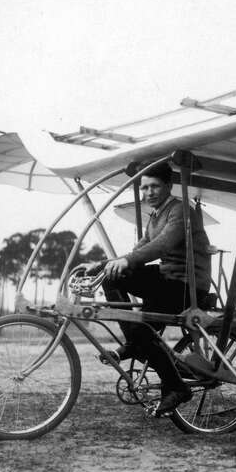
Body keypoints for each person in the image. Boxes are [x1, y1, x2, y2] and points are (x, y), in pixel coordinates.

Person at [95, 161, 212, 416]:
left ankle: (175, 387)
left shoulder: (181, 210)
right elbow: (139, 251)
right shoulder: (156, 216)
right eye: (145, 188)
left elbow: (162, 245)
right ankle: (135, 343)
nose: (148, 193)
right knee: (112, 276)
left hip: (188, 286)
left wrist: (126, 260)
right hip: (169, 280)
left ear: (169, 186)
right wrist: (102, 264)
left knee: (142, 330)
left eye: (154, 187)